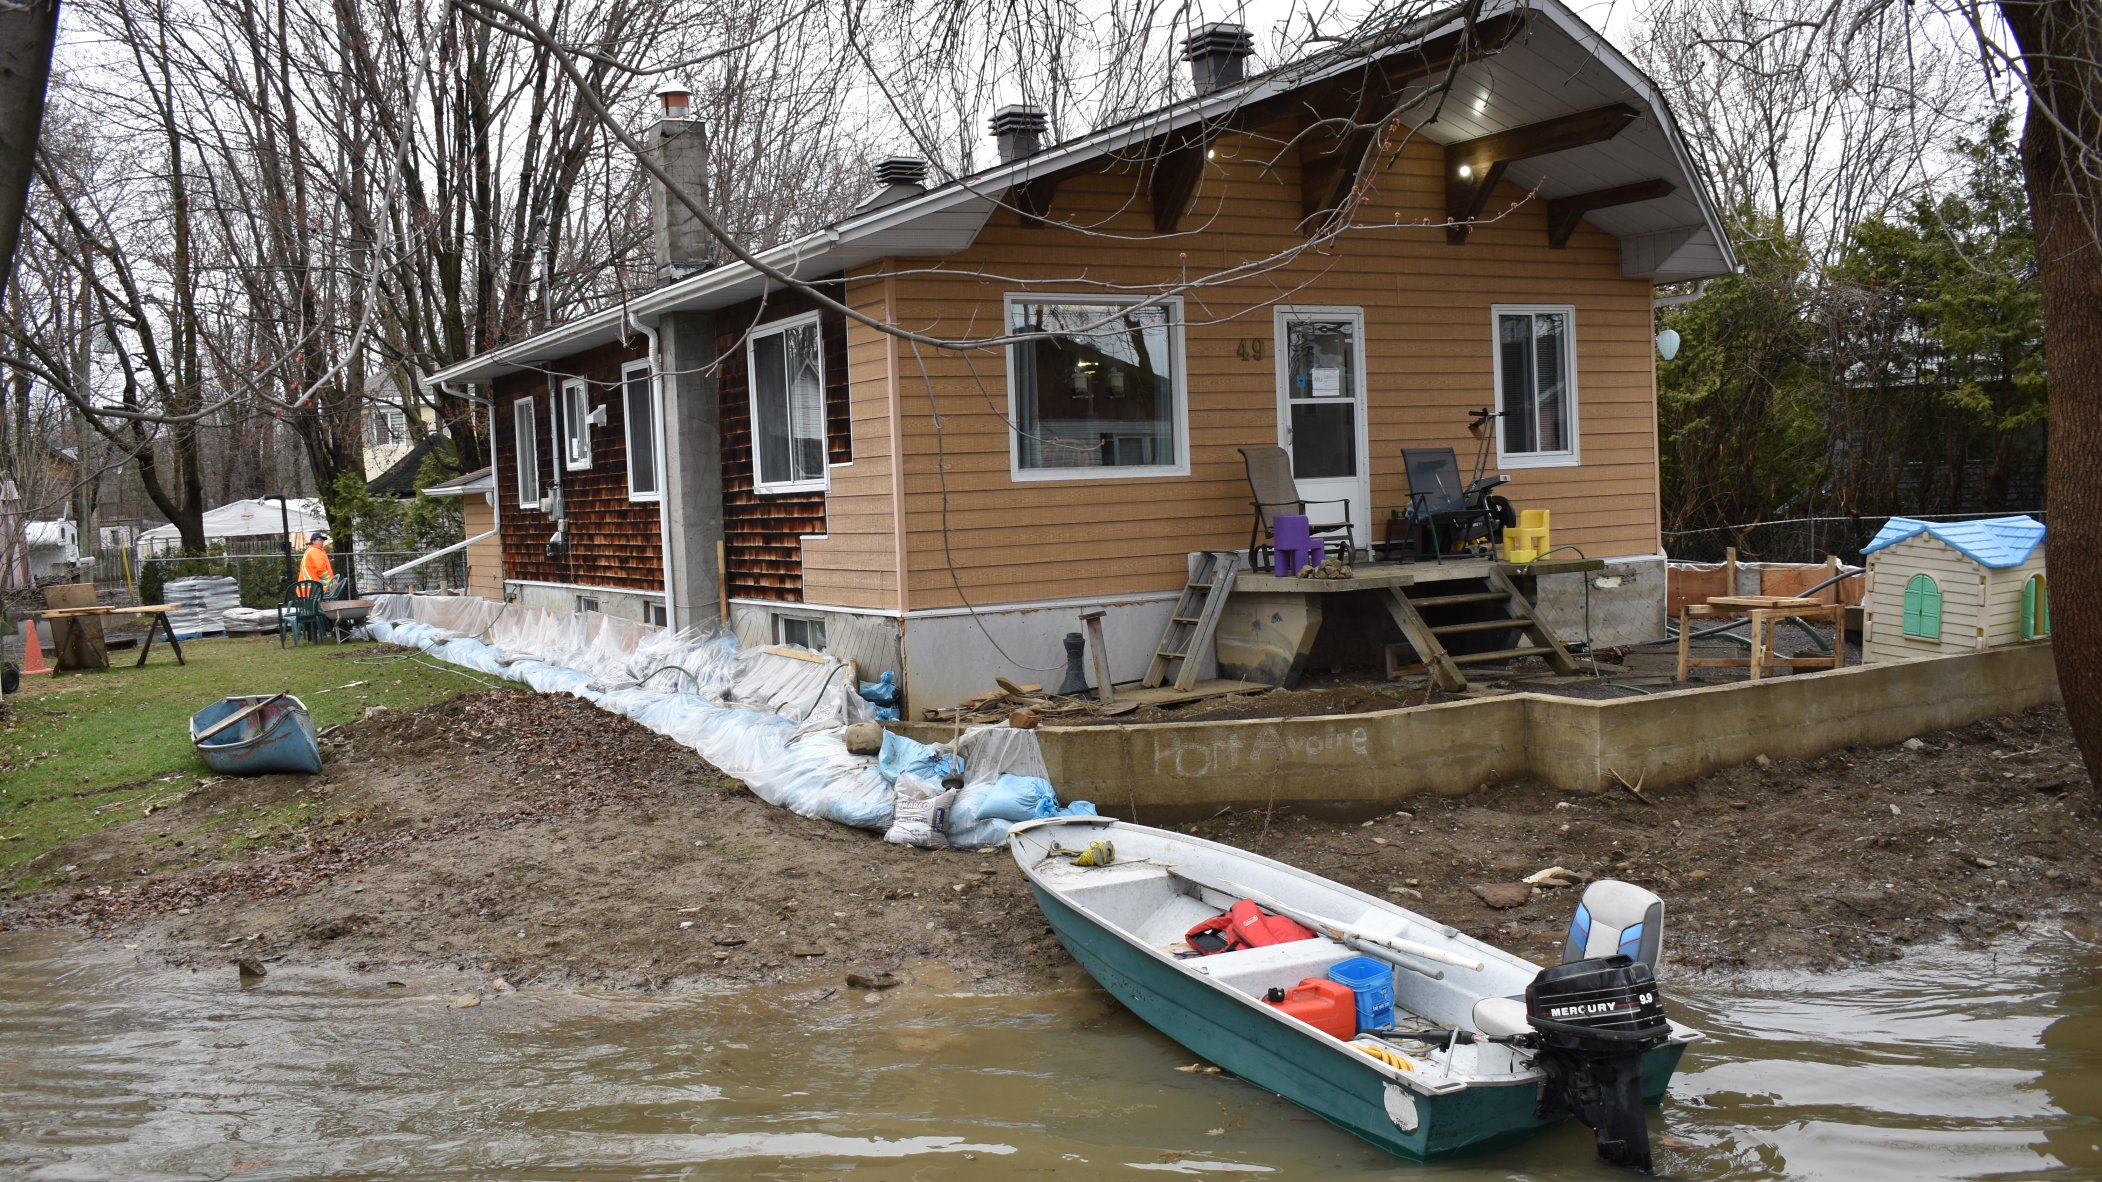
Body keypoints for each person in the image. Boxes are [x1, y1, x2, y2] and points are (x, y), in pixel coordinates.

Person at [296, 530, 334, 597]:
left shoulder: (309, 550)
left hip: (308, 587)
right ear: (313, 541)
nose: (322, 542)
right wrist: (330, 581)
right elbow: (320, 569)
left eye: (322, 540)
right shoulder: (315, 551)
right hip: (314, 588)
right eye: (319, 540)